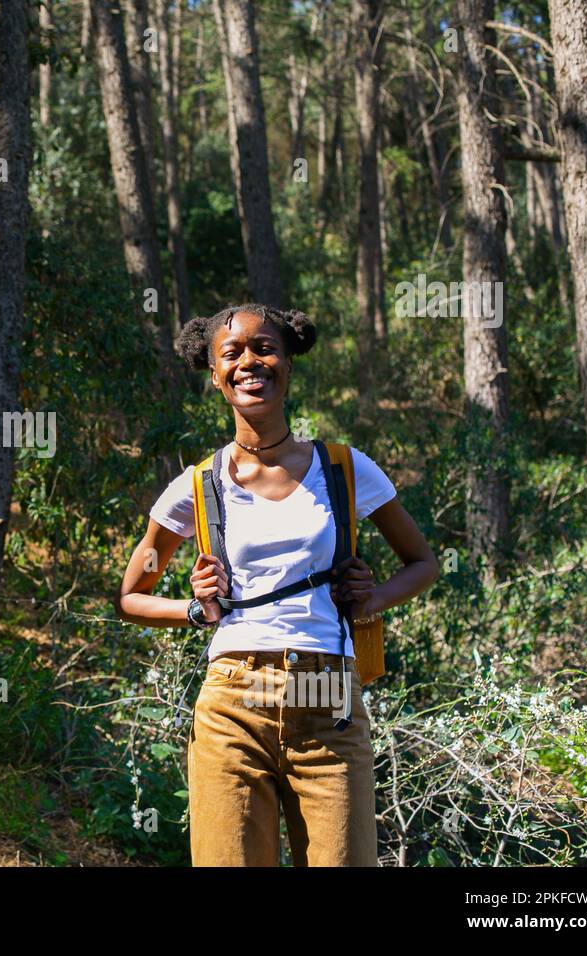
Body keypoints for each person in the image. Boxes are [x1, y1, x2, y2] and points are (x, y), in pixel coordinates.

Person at [113, 304, 438, 866]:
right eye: (231, 353)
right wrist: (195, 610)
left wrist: (371, 598)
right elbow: (130, 596)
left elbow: (422, 562)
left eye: (264, 347)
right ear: (214, 374)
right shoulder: (196, 485)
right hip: (232, 695)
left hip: (324, 686)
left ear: (287, 363)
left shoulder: (343, 467)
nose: (249, 362)